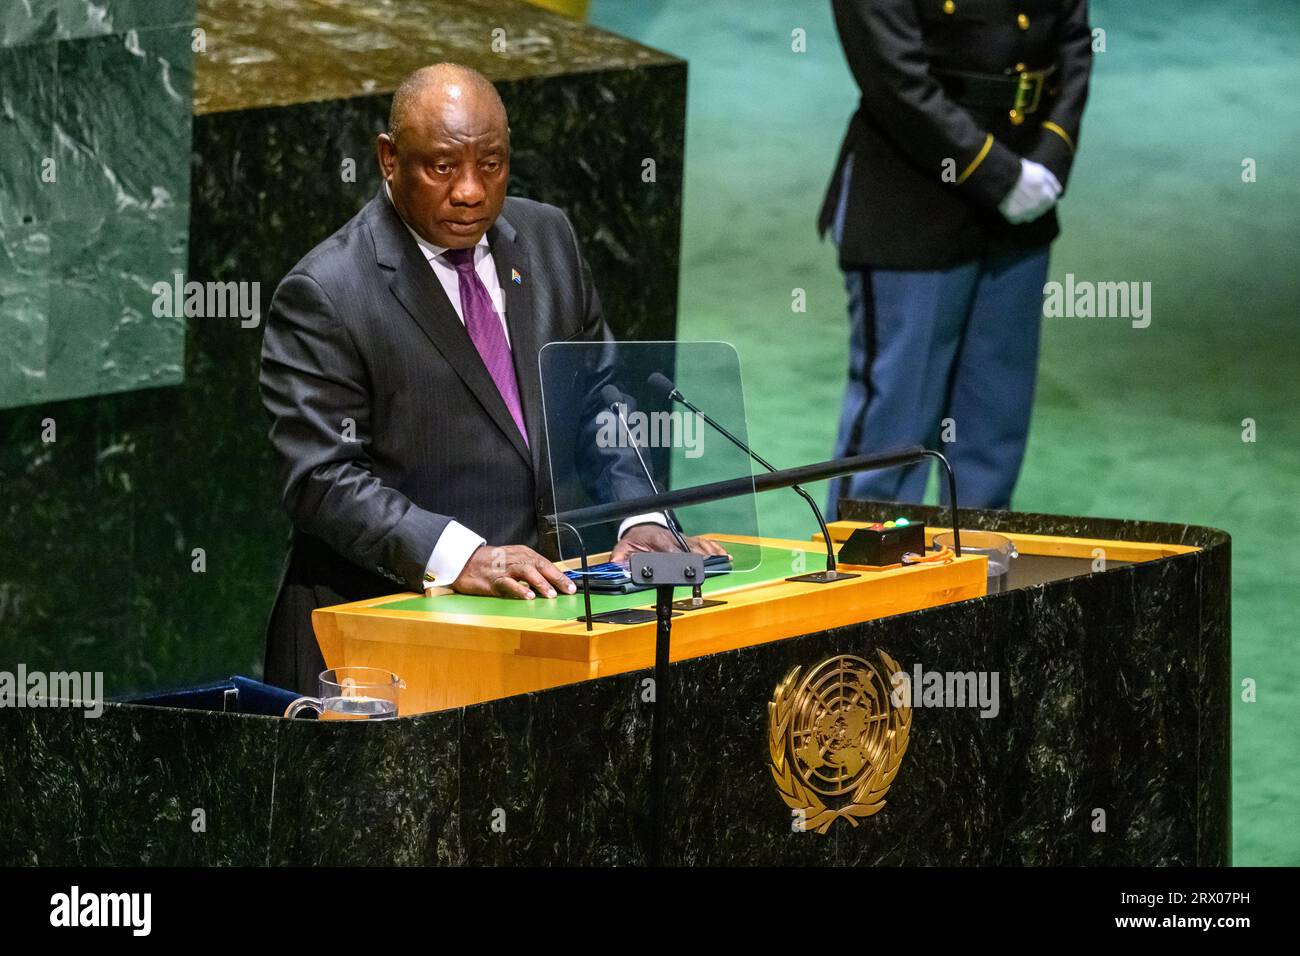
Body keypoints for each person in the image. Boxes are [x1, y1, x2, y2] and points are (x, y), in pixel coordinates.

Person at [260, 64, 721, 693]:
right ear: (389, 160)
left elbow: (601, 398)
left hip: (539, 626)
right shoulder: (327, 292)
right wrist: (459, 557)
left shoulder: (548, 238)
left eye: (493, 164)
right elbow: (322, 478)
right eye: (443, 167)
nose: (471, 191)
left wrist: (637, 515)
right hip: (383, 637)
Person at [820, 0, 1093, 514]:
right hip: (915, 196)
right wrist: (999, 174)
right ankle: (872, 585)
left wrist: (1051, 156)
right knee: (893, 434)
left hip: (1026, 196)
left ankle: (979, 584)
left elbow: (1075, 40)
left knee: (994, 425)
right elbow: (894, 77)